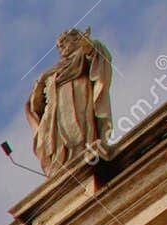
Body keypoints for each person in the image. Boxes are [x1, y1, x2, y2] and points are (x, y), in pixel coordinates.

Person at [27, 28, 112, 175]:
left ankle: (84, 154)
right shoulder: (54, 70)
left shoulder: (83, 54)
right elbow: (36, 103)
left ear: (74, 40)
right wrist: (40, 85)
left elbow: (98, 56)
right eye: (59, 46)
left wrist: (86, 44)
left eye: (64, 43)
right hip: (56, 108)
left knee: (80, 130)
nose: (61, 48)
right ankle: (61, 164)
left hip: (78, 93)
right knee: (57, 140)